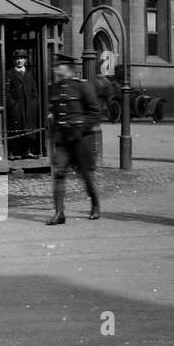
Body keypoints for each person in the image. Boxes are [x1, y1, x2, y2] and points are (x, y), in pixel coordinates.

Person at [46, 53, 101, 225]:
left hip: (80, 140)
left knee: (85, 175)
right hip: (62, 140)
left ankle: (95, 205)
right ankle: (59, 213)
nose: (55, 69)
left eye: (58, 66)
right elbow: (52, 114)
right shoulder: (54, 88)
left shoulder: (82, 86)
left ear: (68, 68)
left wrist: (80, 128)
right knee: (59, 174)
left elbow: (95, 112)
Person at [4, 49, 40, 160]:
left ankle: (26, 151)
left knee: (28, 129)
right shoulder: (9, 74)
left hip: (29, 107)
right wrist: (13, 104)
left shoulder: (29, 74)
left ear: (25, 60)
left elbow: (34, 90)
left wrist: (34, 103)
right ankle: (12, 152)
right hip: (16, 107)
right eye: (18, 59)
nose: (20, 61)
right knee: (15, 129)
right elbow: (6, 92)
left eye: (22, 58)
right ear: (14, 61)